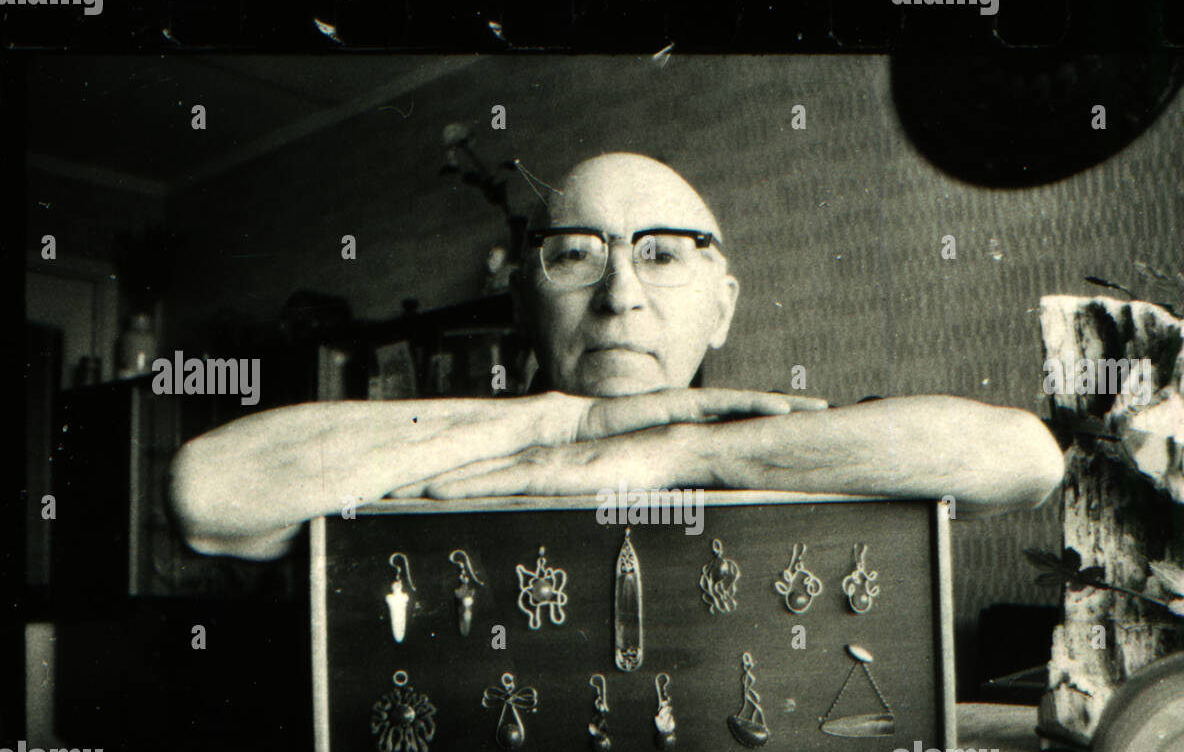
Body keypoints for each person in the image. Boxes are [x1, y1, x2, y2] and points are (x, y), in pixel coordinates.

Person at [169, 152, 1063, 560]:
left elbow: (1023, 460)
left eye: (662, 253)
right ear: (523, 300)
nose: (620, 292)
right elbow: (207, 494)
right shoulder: (443, 446)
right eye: (576, 254)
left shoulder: (780, 444)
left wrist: (687, 450)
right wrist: (571, 421)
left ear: (725, 307)